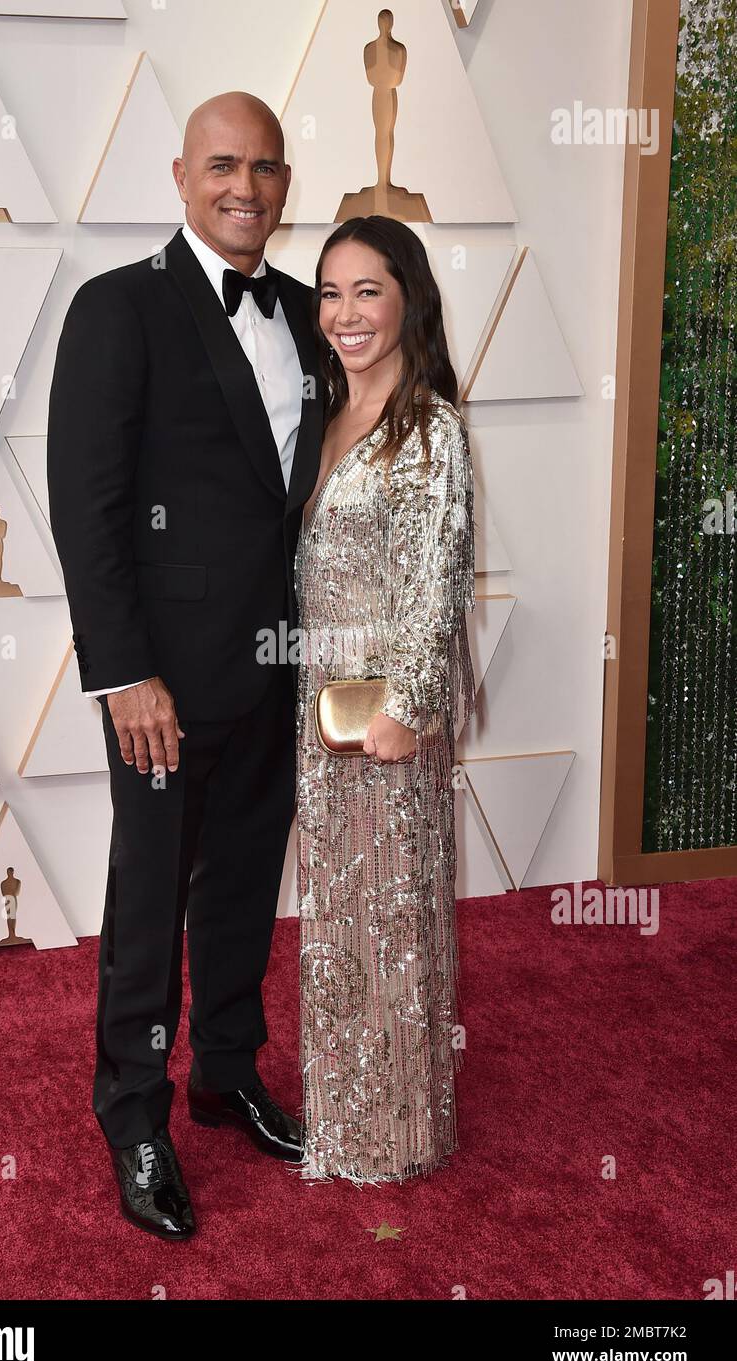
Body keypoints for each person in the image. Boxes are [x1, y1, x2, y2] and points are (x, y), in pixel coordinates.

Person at [47, 92, 323, 1240]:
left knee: (246, 883)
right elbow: (87, 504)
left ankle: (223, 1072)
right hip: (161, 680)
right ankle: (133, 1116)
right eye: (221, 166)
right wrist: (124, 674)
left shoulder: (308, 310)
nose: (243, 188)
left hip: (279, 663)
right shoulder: (118, 308)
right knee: (148, 899)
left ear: (284, 183)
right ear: (179, 176)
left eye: (263, 167)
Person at [295, 215, 477, 1184]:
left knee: (393, 916)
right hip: (317, 711)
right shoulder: (324, 416)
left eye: (367, 290)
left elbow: (437, 578)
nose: (346, 312)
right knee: (336, 919)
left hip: (387, 721)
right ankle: (340, 1117)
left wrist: (407, 708)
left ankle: (396, 1133)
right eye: (330, 292)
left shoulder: (428, 426)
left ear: (409, 298)